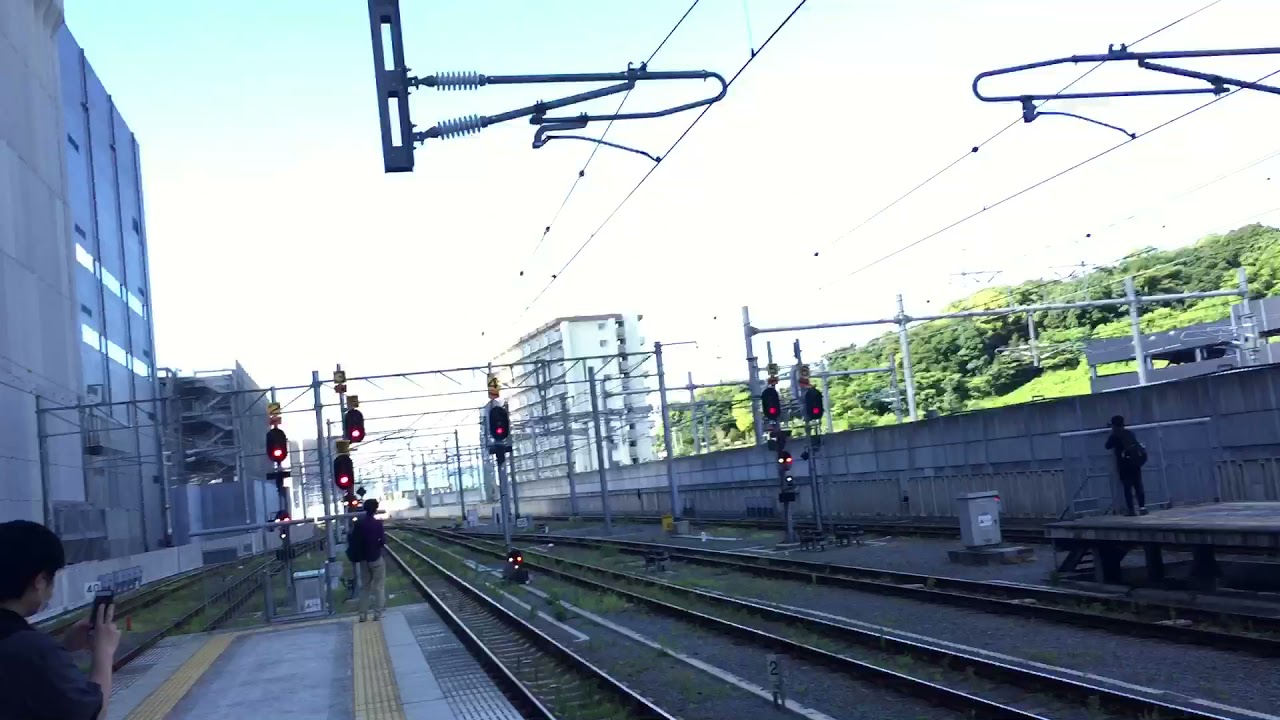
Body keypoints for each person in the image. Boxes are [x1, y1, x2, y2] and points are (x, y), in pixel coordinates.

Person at [0, 520, 120, 720]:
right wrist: (104, 653)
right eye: (52, 578)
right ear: (40, 581)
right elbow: (92, 714)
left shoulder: (22, 646)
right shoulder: (33, 651)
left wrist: (63, 647)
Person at [1105, 415, 1148, 516]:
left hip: (1124, 465)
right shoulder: (1129, 433)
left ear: (1114, 425)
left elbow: (1107, 446)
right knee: (1138, 485)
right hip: (1135, 463)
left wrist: (1111, 434)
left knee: (1127, 487)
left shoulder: (1115, 436)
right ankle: (1142, 508)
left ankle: (1131, 510)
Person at [351, 499, 386, 622]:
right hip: (376, 558)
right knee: (379, 586)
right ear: (375, 509)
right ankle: (378, 613)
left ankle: (362, 615)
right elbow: (382, 541)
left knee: (365, 587)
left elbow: (354, 541)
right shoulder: (378, 524)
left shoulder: (359, 524)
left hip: (364, 560)